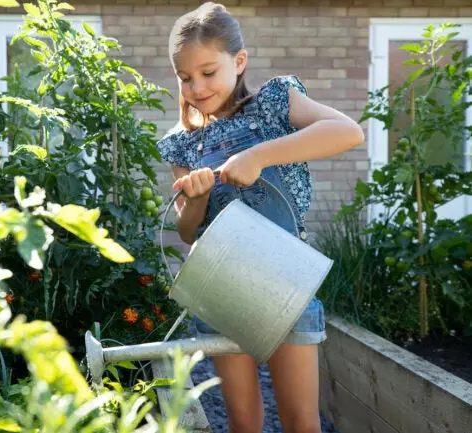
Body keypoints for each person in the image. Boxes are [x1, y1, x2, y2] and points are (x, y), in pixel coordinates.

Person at [156, 3, 364, 433]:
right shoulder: (182, 144)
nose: (196, 86)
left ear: (239, 61)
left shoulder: (273, 104)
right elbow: (187, 230)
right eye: (185, 77)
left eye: (208, 72)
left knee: (300, 420)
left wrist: (259, 155)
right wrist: (195, 197)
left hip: (286, 281)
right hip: (222, 290)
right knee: (244, 421)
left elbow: (348, 131)